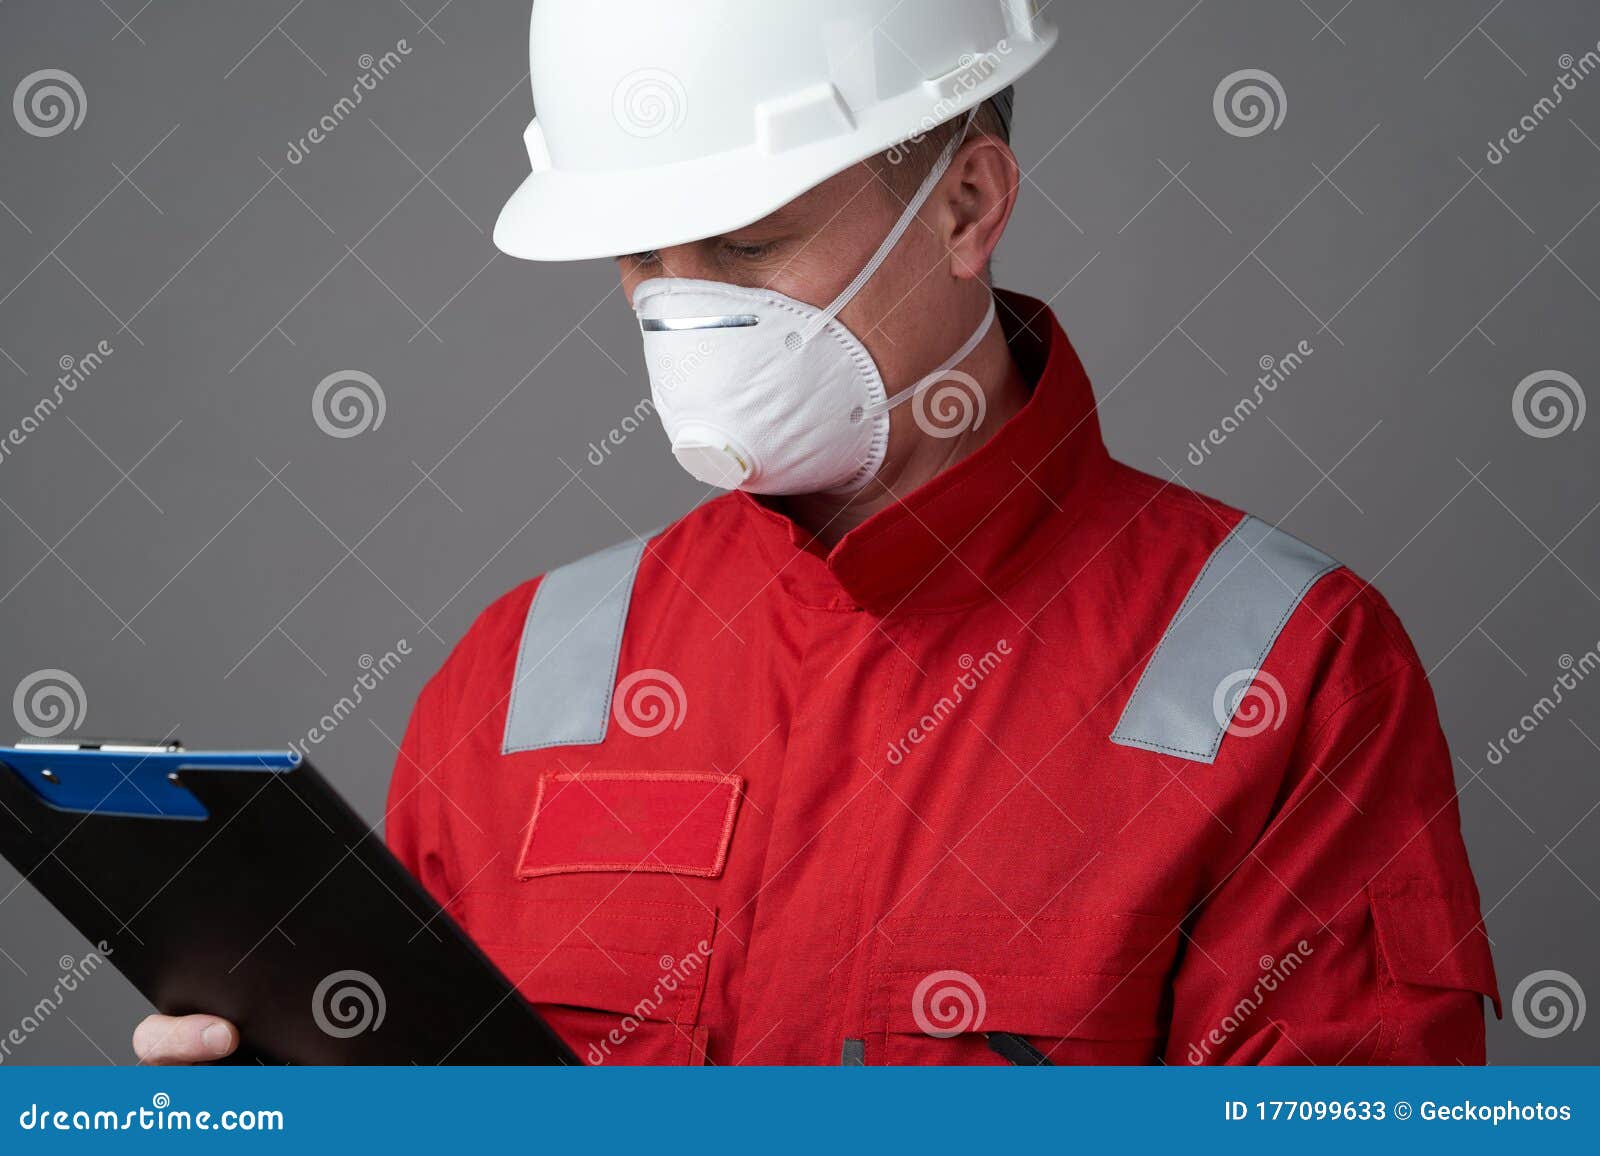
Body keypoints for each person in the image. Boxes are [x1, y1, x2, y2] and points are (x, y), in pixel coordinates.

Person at [134, 0, 1497, 1066]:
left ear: (967, 204)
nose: (680, 310)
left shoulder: (1285, 672)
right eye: (638, 253)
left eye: (740, 242)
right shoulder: (520, 679)